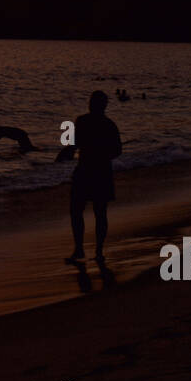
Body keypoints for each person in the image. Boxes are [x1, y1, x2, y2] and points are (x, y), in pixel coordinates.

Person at [66, 91, 122, 264]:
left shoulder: (82, 121)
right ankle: (96, 251)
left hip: (86, 170)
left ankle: (82, 249)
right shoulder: (109, 124)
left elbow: (74, 145)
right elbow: (117, 151)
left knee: (79, 211)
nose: (91, 104)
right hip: (100, 171)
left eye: (93, 102)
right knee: (98, 213)